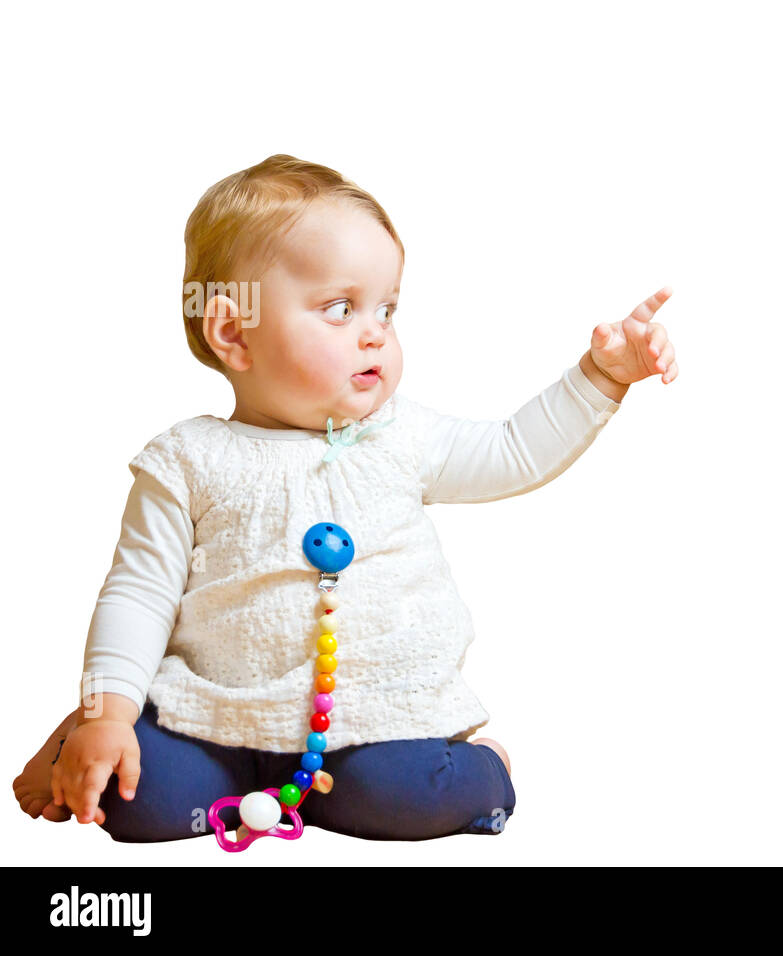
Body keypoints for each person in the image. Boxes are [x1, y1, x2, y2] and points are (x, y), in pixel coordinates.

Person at [11, 154, 678, 842]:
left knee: (404, 797)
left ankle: (487, 769)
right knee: (134, 804)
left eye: (388, 309)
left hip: (375, 728)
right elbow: (137, 595)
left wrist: (599, 378)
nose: (375, 333)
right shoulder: (187, 462)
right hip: (216, 721)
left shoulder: (401, 435)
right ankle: (92, 734)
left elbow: (514, 452)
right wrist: (109, 714)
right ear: (233, 332)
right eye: (340, 308)